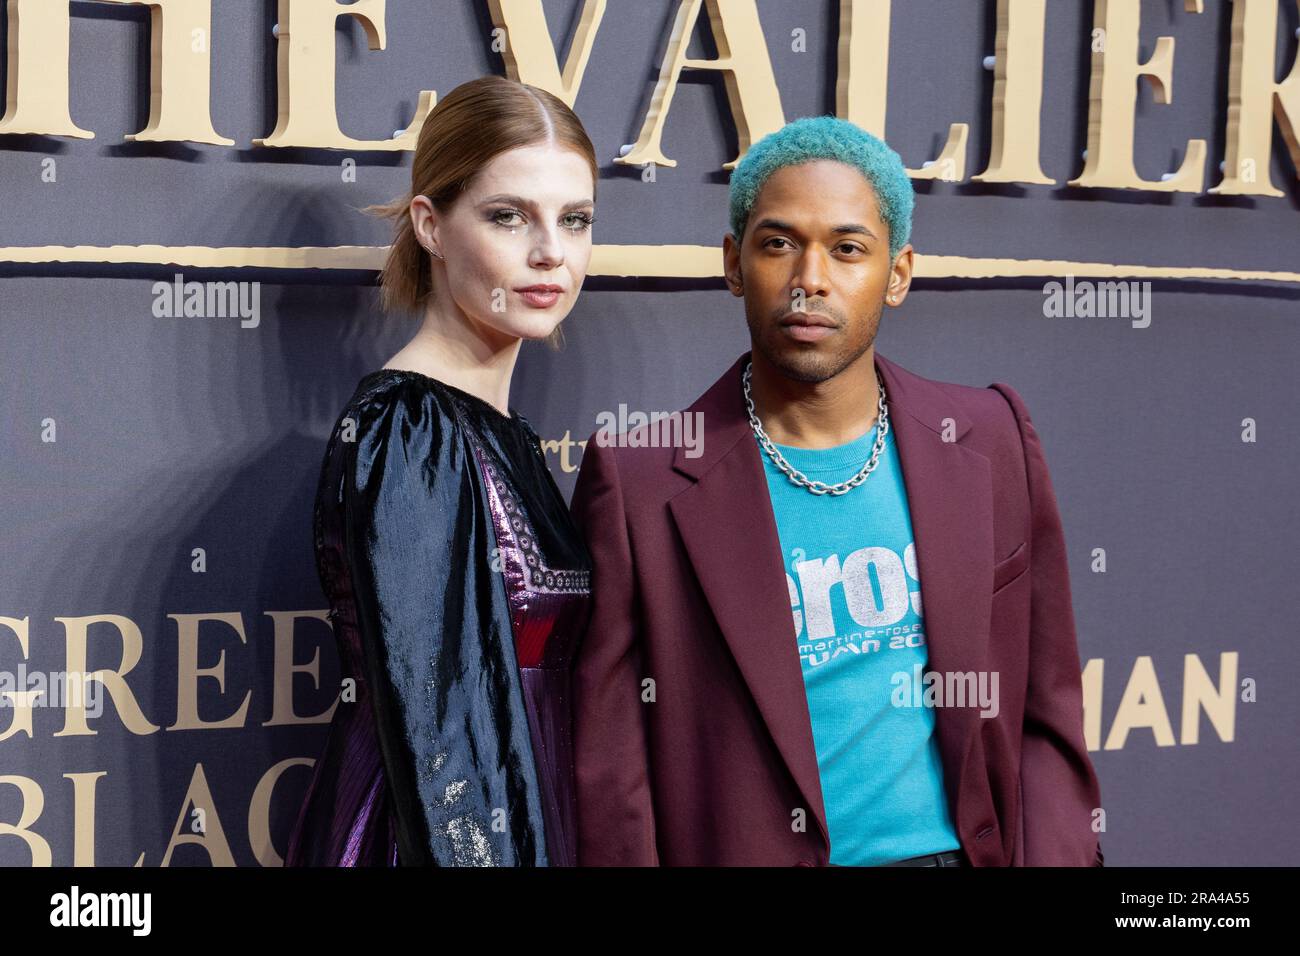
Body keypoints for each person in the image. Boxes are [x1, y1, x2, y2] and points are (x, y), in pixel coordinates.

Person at [569, 116, 1103, 867]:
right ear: (733, 263)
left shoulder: (991, 436)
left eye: (847, 248)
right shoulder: (640, 478)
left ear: (899, 273)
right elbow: (611, 774)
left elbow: (1046, 711)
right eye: (778, 242)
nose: (809, 278)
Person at [284, 75, 596, 867]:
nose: (550, 253)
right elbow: (440, 732)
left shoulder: (502, 433)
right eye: (507, 216)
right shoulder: (412, 430)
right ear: (430, 223)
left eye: (576, 220)